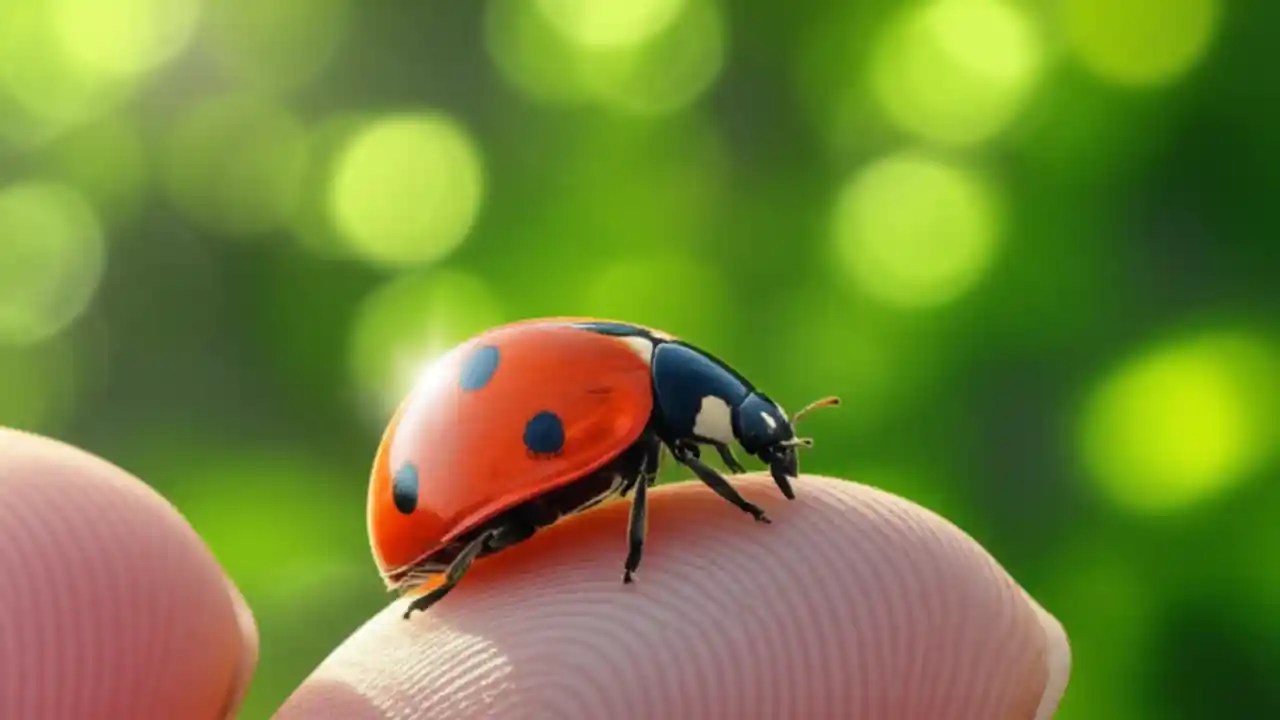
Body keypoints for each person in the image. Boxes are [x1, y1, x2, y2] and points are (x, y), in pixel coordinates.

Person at [0, 428, 1069, 718]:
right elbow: (646, 462)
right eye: (748, 436)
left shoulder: (647, 396)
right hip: (439, 520)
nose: (750, 452)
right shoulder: (647, 409)